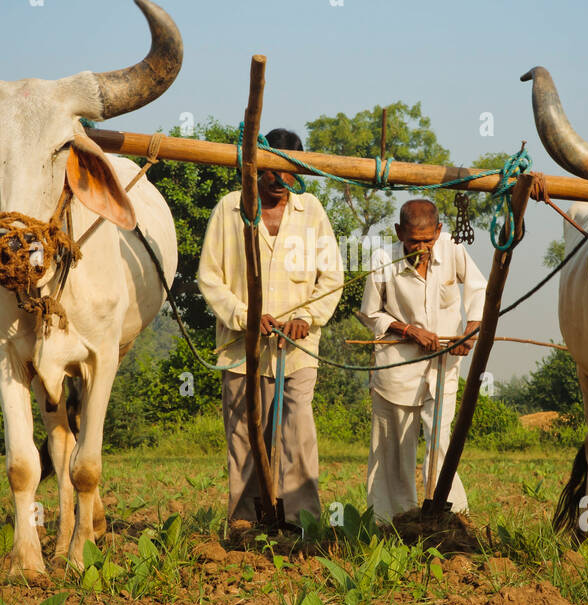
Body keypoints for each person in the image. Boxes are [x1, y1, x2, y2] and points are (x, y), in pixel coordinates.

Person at [197, 128, 344, 525]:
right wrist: (247, 317)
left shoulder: (311, 211)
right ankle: (246, 520)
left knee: (297, 431)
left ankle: (303, 521)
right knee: (244, 434)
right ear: (256, 168)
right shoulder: (230, 208)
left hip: (298, 351)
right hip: (240, 349)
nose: (279, 182)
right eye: (271, 172)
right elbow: (209, 278)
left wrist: (306, 318)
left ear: (298, 173)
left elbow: (331, 278)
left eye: (288, 174)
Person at [358, 198, 486, 521]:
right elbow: (370, 313)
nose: (422, 248)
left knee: (440, 444)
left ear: (439, 231)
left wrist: (470, 332)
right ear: (399, 232)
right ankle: (394, 521)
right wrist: (409, 331)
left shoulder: (452, 249)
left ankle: (450, 517)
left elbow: (479, 289)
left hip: (443, 366)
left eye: (428, 240)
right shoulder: (383, 259)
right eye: (414, 240)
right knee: (394, 451)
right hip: (397, 368)